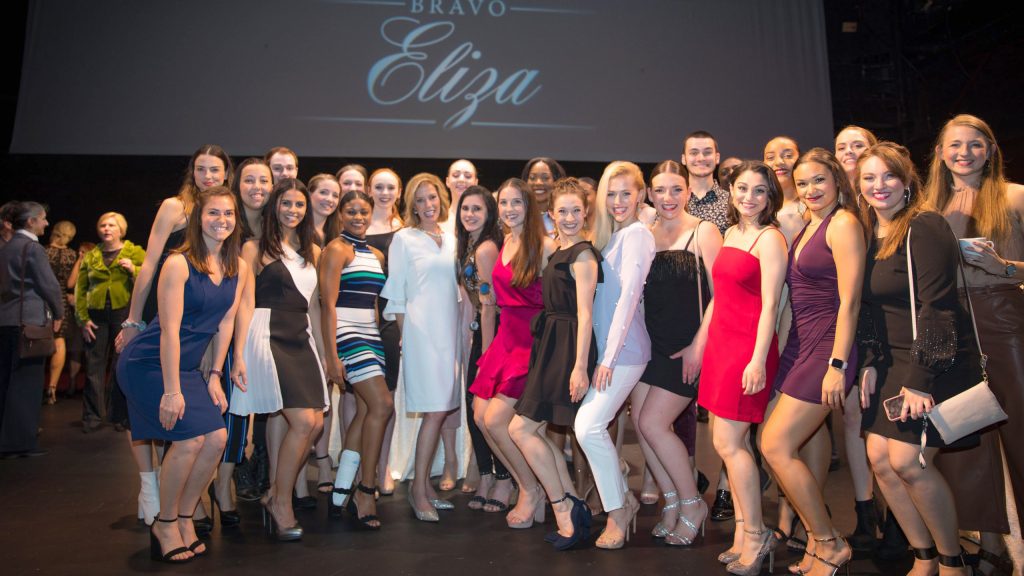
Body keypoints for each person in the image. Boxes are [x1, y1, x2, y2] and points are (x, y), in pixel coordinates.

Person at [856, 142, 979, 576]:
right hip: (889, 363)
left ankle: (953, 562)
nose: (879, 185)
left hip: (929, 359)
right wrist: (869, 361)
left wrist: (921, 380)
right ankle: (923, 558)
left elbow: (938, 306)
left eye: (888, 175)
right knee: (881, 462)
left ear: (907, 180)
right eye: (869, 177)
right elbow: (868, 307)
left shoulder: (924, 226)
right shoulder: (869, 232)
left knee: (910, 461)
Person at [116, 186, 245, 563]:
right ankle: (165, 521)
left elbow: (225, 323)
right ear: (197, 219)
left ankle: (186, 516)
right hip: (149, 364)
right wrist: (172, 391)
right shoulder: (178, 263)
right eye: (213, 213)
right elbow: (169, 331)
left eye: (229, 214)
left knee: (217, 438)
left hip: (189, 367)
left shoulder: (236, 264)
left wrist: (215, 374)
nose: (222, 220)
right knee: (189, 441)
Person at [926, 114, 1024, 576]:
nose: (964, 153)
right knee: (968, 440)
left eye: (974, 145)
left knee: (1019, 434)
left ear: (990, 150)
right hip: (954, 328)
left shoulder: (1014, 196)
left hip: (1006, 321)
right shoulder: (929, 204)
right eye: (954, 145)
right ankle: (989, 544)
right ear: (941, 153)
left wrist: (1002, 265)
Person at [760, 148, 865, 576]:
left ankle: (829, 541)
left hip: (827, 347)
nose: (810, 189)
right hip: (800, 346)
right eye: (803, 183)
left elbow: (851, 302)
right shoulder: (809, 225)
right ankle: (813, 539)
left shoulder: (843, 224)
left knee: (775, 445)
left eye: (819, 180)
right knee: (800, 443)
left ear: (837, 180)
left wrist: (838, 364)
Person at [696, 161, 787, 575]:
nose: (748, 197)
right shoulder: (732, 233)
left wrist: (757, 359)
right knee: (726, 444)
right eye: (742, 188)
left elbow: (772, 304)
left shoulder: (770, 239)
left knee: (731, 443)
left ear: (771, 197)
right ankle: (743, 531)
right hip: (721, 345)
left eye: (759, 191)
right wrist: (702, 342)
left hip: (747, 349)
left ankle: (757, 534)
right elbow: (721, 297)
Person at [229, 178, 329, 541]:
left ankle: (275, 492)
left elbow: (315, 309)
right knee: (303, 422)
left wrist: (324, 355)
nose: (293, 210)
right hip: (267, 334)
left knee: (315, 424)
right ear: (275, 207)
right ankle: (281, 502)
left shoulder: (312, 250)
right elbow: (241, 305)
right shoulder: (253, 249)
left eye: (299, 205)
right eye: (286, 203)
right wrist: (238, 353)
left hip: (301, 338)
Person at [632, 160, 722, 546]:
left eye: (676, 189)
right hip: (649, 346)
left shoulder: (704, 231)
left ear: (688, 192)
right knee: (640, 424)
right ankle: (672, 502)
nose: (668, 198)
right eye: (660, 190)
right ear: (650, 194)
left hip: (687, 348)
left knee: (653, 424)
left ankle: (693, 502)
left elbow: (723, 296)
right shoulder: (644, 234)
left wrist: (699, 346)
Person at [510, 177, 600, 549]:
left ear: (586, 213)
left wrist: (580, 366)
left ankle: (564, 506)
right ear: (551, 214)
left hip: (568, 347)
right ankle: (570, 504)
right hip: (550, 343)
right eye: (561, 211)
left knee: (521, 428)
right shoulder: (556, 249)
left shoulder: (583, 254)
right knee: (532, 430)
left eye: (575, 211)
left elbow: (586, 313)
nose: (568, 217)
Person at [574, 161, 655, 549]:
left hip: (625, 351)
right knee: (589, 428)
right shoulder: (613, 236)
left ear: (640, 195)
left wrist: (607, 358)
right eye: (611, 193)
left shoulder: (638, 234)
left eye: (626, 193)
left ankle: (619, 510)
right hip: (607, 350)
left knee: (588, 427)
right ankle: (623, 498)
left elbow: (627, 299)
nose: (619, 201)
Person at [469, 178, 551, 528]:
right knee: (479, 416)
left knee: (496, 421)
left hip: (531, 341)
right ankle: (529, 486)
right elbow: (490, 299)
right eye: (504, 203)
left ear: (528, 206)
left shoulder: (545, 246)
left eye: (517, 202)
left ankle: (531, 490)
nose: (509, 209)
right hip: (505, 339)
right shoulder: (502, 243)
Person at [380, 173, 460, 522]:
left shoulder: (453, 238)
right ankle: (417, 490)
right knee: (435, 410)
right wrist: (405, 338)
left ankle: (424, 488)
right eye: (421, 200)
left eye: (433, 198)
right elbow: (396, 294)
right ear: (412, 205)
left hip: (451, 335)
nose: (429, 205)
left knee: (440, 410)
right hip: (420, 335)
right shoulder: (404, 239)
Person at [320, 189, 393, 529]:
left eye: (364, 212)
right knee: (382, 405)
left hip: (371, 336)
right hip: (346, 335)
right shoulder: (335, 250)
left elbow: (375, 303)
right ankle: (366, 489)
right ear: (340, 213)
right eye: (351, 211)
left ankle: (339, 493)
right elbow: (327, 305)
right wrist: (331, 356)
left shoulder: (377, 254)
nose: (359, 217)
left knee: (366, 411)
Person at [832, 125, 885, 553]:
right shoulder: (835, 205)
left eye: (858, 145)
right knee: (853, 421)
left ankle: (900, 520)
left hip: (885, 322)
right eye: (841, 147)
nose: (849, 153)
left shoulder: (883, 201)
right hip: (847, 324)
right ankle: (866, 514)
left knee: (888, 430)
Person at [454, 186, 511, 511]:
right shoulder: (470, 245)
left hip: (495, 333)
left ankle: (504, 478)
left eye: (477, 209)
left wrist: (486, 355)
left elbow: (490, 305)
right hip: (482, 331)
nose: (470, 215)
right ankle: (486, 475)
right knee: (473, 407)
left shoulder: (487, 248)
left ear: (489, 213)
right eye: (465, 209)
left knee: (485, 412)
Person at [0, 201, 63, 458]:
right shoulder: (32, 248)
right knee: (27, 383)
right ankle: (21, 442)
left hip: (5, 320)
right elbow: (48, 285)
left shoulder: (5, 247)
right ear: (30, 222)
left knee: (7, 382)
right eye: (43, 219)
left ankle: (6, 440)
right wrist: (58, 312)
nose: (46, 223)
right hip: (28, 323)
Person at [77, 213, 145, 432]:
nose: (106, 228)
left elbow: (150, 277)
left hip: (123, 314)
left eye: (112, 225)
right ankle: (92, 417)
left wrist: (133, 269)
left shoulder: (134, 251)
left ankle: (119, 415)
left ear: (121, 229)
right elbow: (81, 289)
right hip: (95, 315)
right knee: (93, 366)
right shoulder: (92, 255)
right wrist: (83, 319)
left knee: (120, 365)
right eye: (103, 225)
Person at [365, 168, 404, 497]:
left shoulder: (404, 231)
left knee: (387, 398)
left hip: (390, 320)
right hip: (360, 318)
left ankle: (383, 467)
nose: (384, 192)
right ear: (368, 189)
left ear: (399, 192)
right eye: (378, 186)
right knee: (360, 399)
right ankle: (362, 466)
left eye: (390, 187)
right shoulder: (355, 224)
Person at [44, 220, 77, 405]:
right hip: (62, 299)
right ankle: (53, 386)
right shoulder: (72, 255)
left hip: (42, 299)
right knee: (59, 340)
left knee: (39, 338)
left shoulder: (43, 252)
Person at [683, 131, 731, 235]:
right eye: (694, 153)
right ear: (684, 159)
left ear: (717, 157)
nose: (701, 158)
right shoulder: (672, 202)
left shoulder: (732, 202)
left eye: (707, 152)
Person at [764, 136, 806, 245]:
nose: (779, 162)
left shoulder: (811, 204)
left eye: (788, 156)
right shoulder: (758, 205)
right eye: (770, 157)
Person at [522, 157, 566, 236]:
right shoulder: (519, 217)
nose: (538, 183)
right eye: (532, 178)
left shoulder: (567, 218)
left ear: (557, 181)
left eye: (545, 178)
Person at [309, 173, 342, 246]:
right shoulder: (296, 231)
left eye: (335, 195)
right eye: (323, 192)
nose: (330, 199)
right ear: (309, 194)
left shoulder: (339, 235)